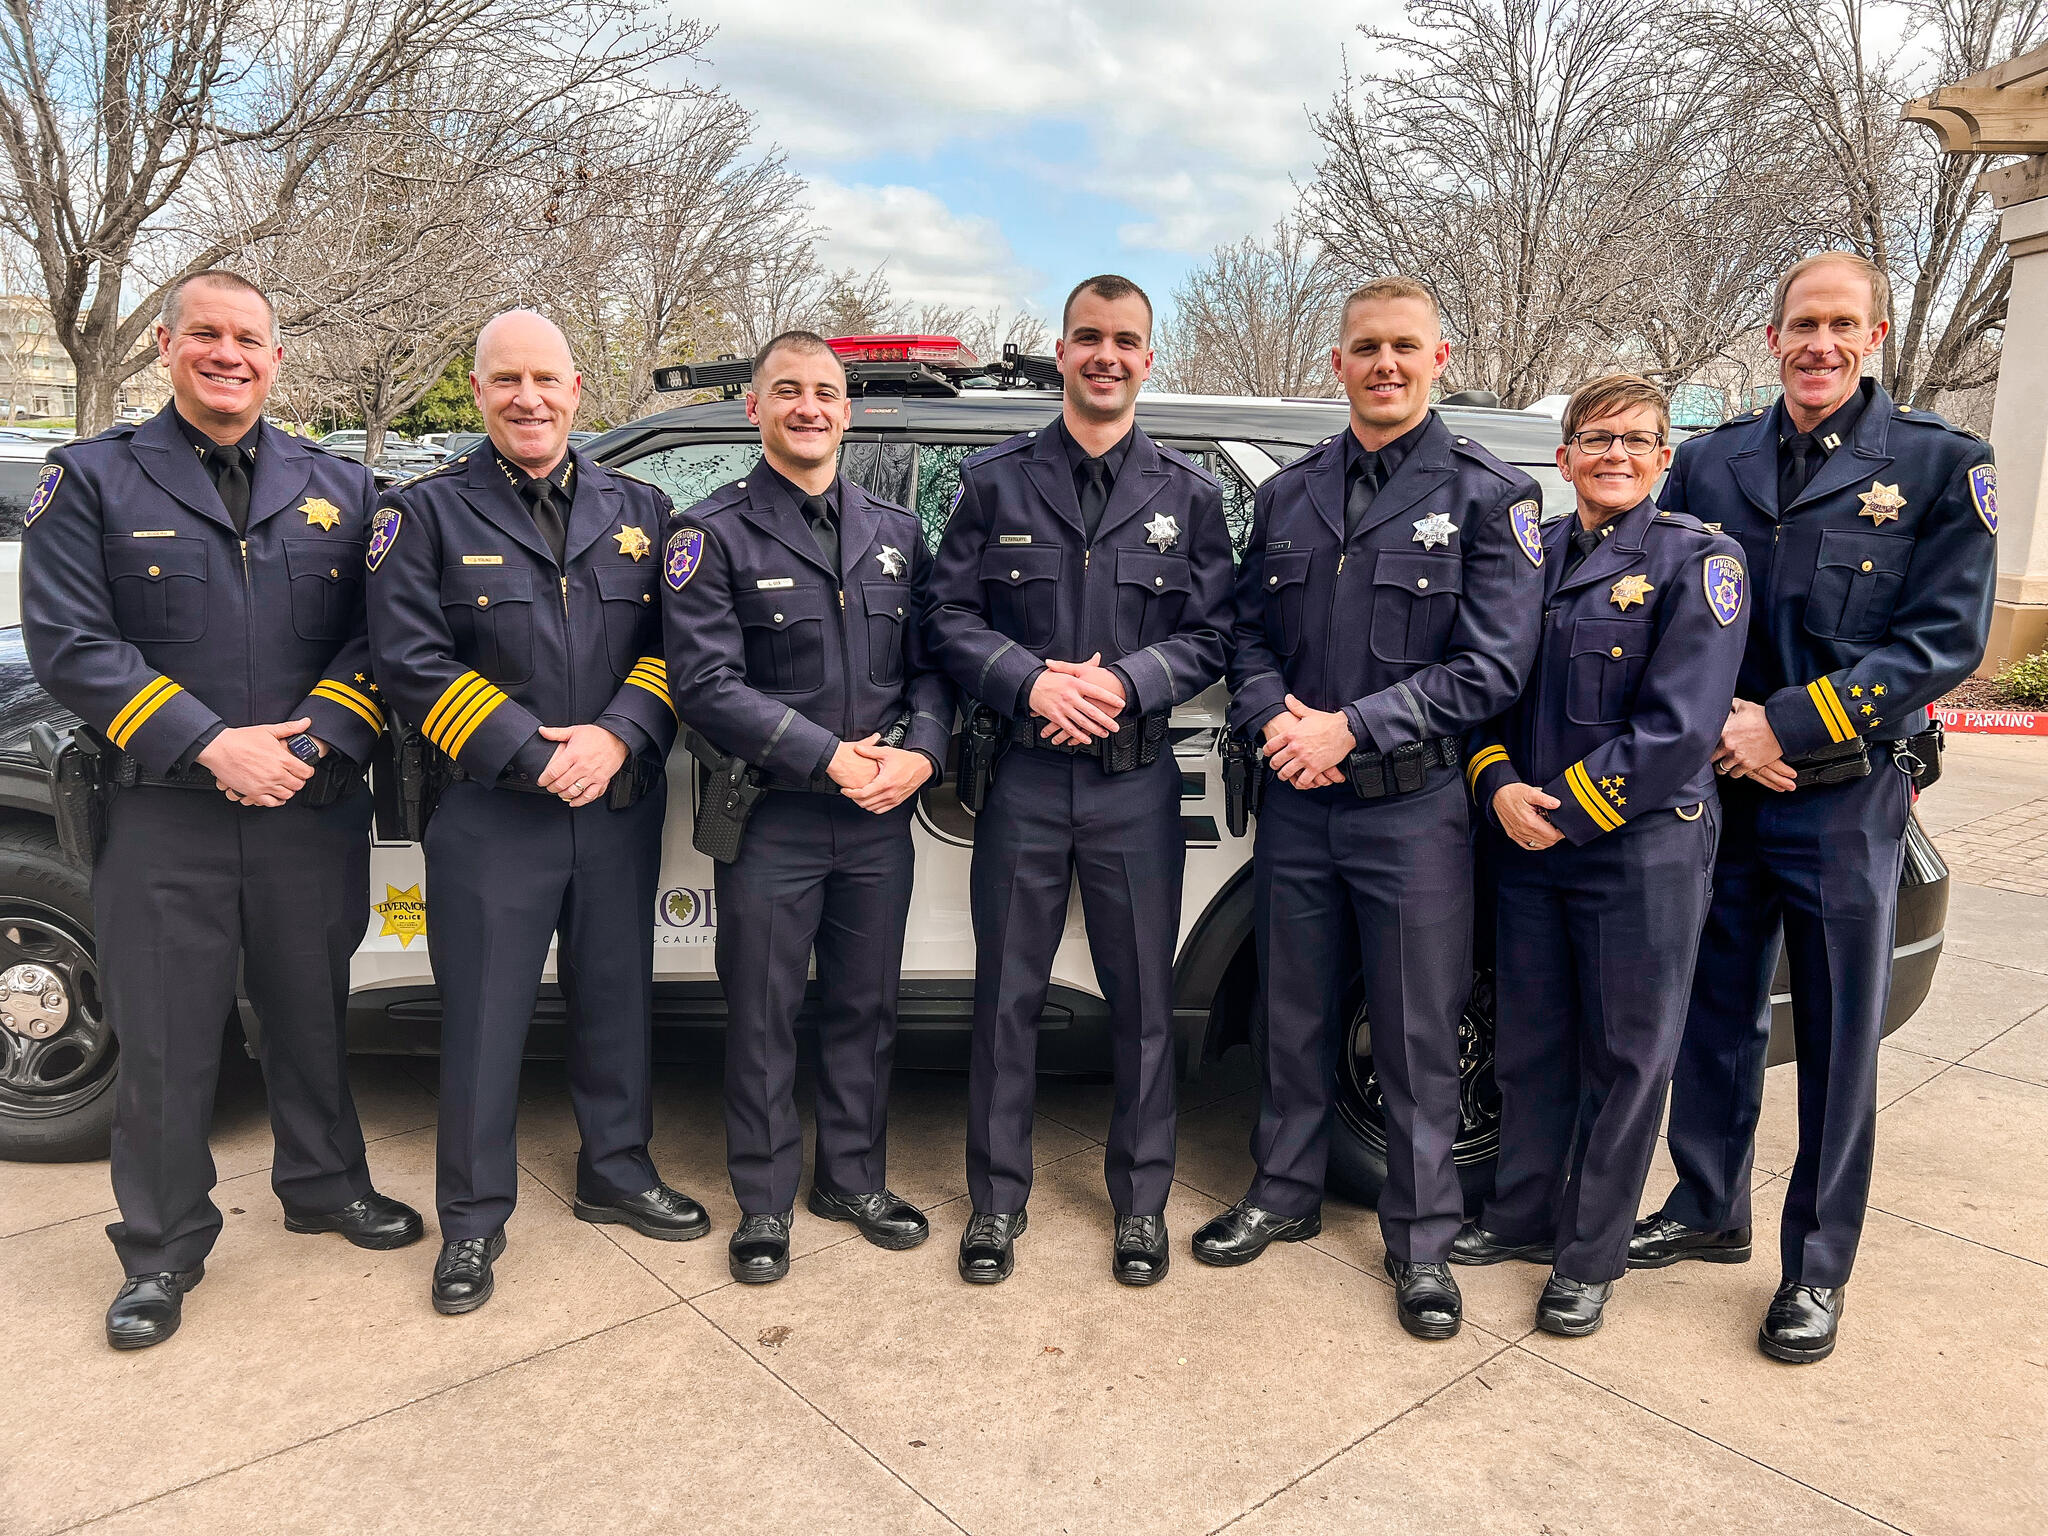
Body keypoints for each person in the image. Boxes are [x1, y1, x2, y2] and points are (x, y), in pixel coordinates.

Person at [20, 270, 422, 1350]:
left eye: (250, 336)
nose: (229, 353)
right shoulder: (95, 482)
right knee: (165, 1042)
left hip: (307, 805)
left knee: (308, 1013)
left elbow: (380, 639)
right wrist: (210, 744)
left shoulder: (345, 487)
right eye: (207, 334)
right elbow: (70, 644)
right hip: (163, 817)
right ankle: (160, 1249)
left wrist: (314, 738)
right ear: (167, 346)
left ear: (278, 358)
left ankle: (326, 1185)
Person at [1633, 252, 1996, 1363]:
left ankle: (1816, 1266)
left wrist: (1781, 727)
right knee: (1713, 1009)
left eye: (1841, 325)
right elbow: (1666, 616)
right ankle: (1706, 1206)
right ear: (1770, 333)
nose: (1818, 345)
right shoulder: (1706, 462)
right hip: (1722, 794)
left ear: (1875, 334)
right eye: (1801, 324)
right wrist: (1719, 734)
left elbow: (1940, 642)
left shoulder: (1939, 464)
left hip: (1843, 800)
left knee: (1838, 1035)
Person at [1208, 277, 1543, 1341]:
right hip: (1299, 802)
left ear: (1437, 358)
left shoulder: (1490, 497)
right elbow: (1246, 635)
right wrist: (1274, 721)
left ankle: (1421, 1240)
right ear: (1336, 362)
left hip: (1412, 809)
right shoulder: (1288, 495)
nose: (1383, 365)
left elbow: (1493, 666)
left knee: (1412, 1030)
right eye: (1365, 348)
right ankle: (1282, 1192)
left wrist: (1347, 730)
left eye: (1403, 347)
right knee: (1291, 1011)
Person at [367, 310, 703, 1315]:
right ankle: (471, 1220)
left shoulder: (639, 504)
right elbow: (407, 663)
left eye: (545, 380)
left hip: (613, 801)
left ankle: (615, 1168)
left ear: (575, 392)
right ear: (477, 392)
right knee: (481, 1020)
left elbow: (673, 648)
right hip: (488, 810)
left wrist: (614, 737)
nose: (528, 398)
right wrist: (526, 750)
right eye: (506, 379)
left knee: (615, 1000)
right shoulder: (421, 516)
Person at [925, 275, 1233, 1286]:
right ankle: (995, 1202)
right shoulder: (994, 483)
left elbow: (1217, 632)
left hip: (1134, 784)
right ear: (1059, 350)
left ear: (1149, 358)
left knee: (1143, 1003)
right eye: (1087, 338)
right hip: (1020, 779)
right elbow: (946, 616)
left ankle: (1139, 1204)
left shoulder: (1188, 495)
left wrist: (1133, 680)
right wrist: (1027, 683)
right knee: (1005, 997)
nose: (1106, 355)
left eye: (1126, 341)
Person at [1454, 375, 1747, 1336]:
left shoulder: (1699, 561)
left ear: (1665, 458)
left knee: (1627, 1059)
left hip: (1639, 850)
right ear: (1565, 455)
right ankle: (1523, 1215)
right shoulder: (1527, 562)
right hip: (1529, 840)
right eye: (1596, 438)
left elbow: (1679, 729)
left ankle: (1590, 1254)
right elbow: (1488, 693)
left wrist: (1564, 813)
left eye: (1638, 440)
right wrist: (1498, 784)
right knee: (1532, 1043)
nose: (1615, 454)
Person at [664, 332, 953, 1284]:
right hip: (773, 816)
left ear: (848, 409)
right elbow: (705, 685)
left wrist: (919, 755)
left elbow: (930, 672)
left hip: (878, 816)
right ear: (754, 407)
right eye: (786, 392)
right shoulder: (710, 534)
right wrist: (830, 757)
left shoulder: (897, 532)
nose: (809, 408)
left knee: (866, 1009)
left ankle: (854, 1180)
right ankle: (763, 1200)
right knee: (763, 1012)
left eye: (825, 393)